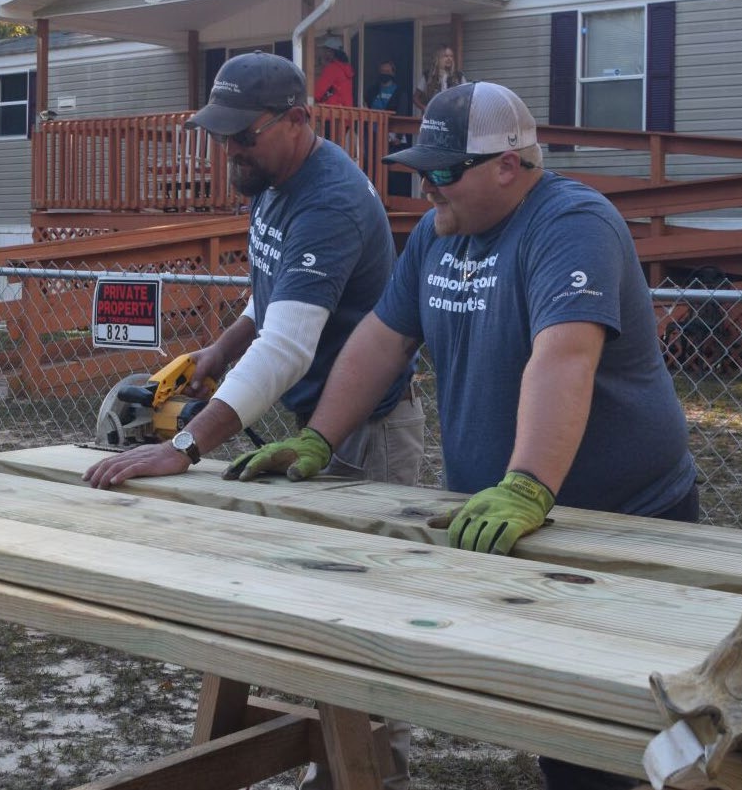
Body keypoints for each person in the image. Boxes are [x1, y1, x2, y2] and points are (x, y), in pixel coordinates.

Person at [230, 81, 699, 790]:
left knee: (610, 739)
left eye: (443, 172)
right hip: (523, 525)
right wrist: (319, 437)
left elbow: (564, 355)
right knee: (551, 716)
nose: (427, 188)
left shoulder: (571, 223)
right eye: (420, 170)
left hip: (624, 520)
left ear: (508, 165)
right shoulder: (437, 235)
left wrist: (527, 483)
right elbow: (380, 341)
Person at [83, 51, 423, 790]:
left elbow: (292, 344)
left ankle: (372, 774)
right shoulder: (272, 180)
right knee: (309, 604)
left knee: (364, 620)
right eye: (220, 133)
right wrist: (218, 348)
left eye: (244, 134)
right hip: (310, 422)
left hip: (369, 431)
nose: (228, 149)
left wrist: (186, 443)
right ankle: (332, 751)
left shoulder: (329, 199)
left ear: (299, 120)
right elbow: (269, 301)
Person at [364, 59, 410, 195]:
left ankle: (390, 196)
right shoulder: (372, 90)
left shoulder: (400, 91)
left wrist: (399, 135)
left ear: (393, 73)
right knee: (372, 166)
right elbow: (365, 105)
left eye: (387, 71)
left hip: (391, 136)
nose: (384, 74)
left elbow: (403, 113)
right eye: (382, 71)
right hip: (372, 134)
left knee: (390, 169)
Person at [412, 43, 465, 114]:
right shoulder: (428, 76)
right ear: (438, 58)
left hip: (453, 116)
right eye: (446, 56)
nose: (449, 58)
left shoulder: (459, 76)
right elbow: (415, 98)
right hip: (434, 117)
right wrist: (424, 108)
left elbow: (466, 96)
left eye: (451, 56)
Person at [314, 37, 355, 107]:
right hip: (346, 112)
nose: (323, 53)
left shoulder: (333, 68)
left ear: (330, 52)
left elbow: (317, 93)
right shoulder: (345, 68)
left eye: (325, 50)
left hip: (332, 112)